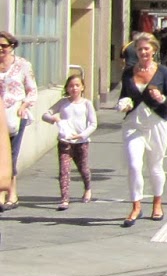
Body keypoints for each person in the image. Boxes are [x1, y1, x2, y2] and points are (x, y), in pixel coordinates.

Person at [118, 32, 167, 226]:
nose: (143, 52)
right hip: (133, 125)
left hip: (157, 124)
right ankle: (136, 206)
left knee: (155, 166)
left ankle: (157, 203)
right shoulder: (128, 72)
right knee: (134, 165)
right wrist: (123, 103)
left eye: (146, 48)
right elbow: (123, 96)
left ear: (154, 50)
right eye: (139, 49)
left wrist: (161, 98)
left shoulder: (163, 72)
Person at [41, 72, 96, 210]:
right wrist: (53, 118)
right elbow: (45, 115)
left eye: (77, 85)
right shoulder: (63, 103)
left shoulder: (87, 104)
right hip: (65, 141)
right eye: (71, 86)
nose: (74, 88)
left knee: (83, 168)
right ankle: (65, 199)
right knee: (64, 170)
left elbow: (93, 123)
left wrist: (82, 135)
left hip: (81, 142)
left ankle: (88, 188)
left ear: (82, 87)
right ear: (67, 88)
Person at [0, 29, 38, 210]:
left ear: (12, 46)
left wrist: (24, 106)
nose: (1, 49)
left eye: (4, 46)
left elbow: (32, 90)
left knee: (11, 155)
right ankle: (2, 193)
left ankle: (12, 194)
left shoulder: (22, 65)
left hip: (16, 114)